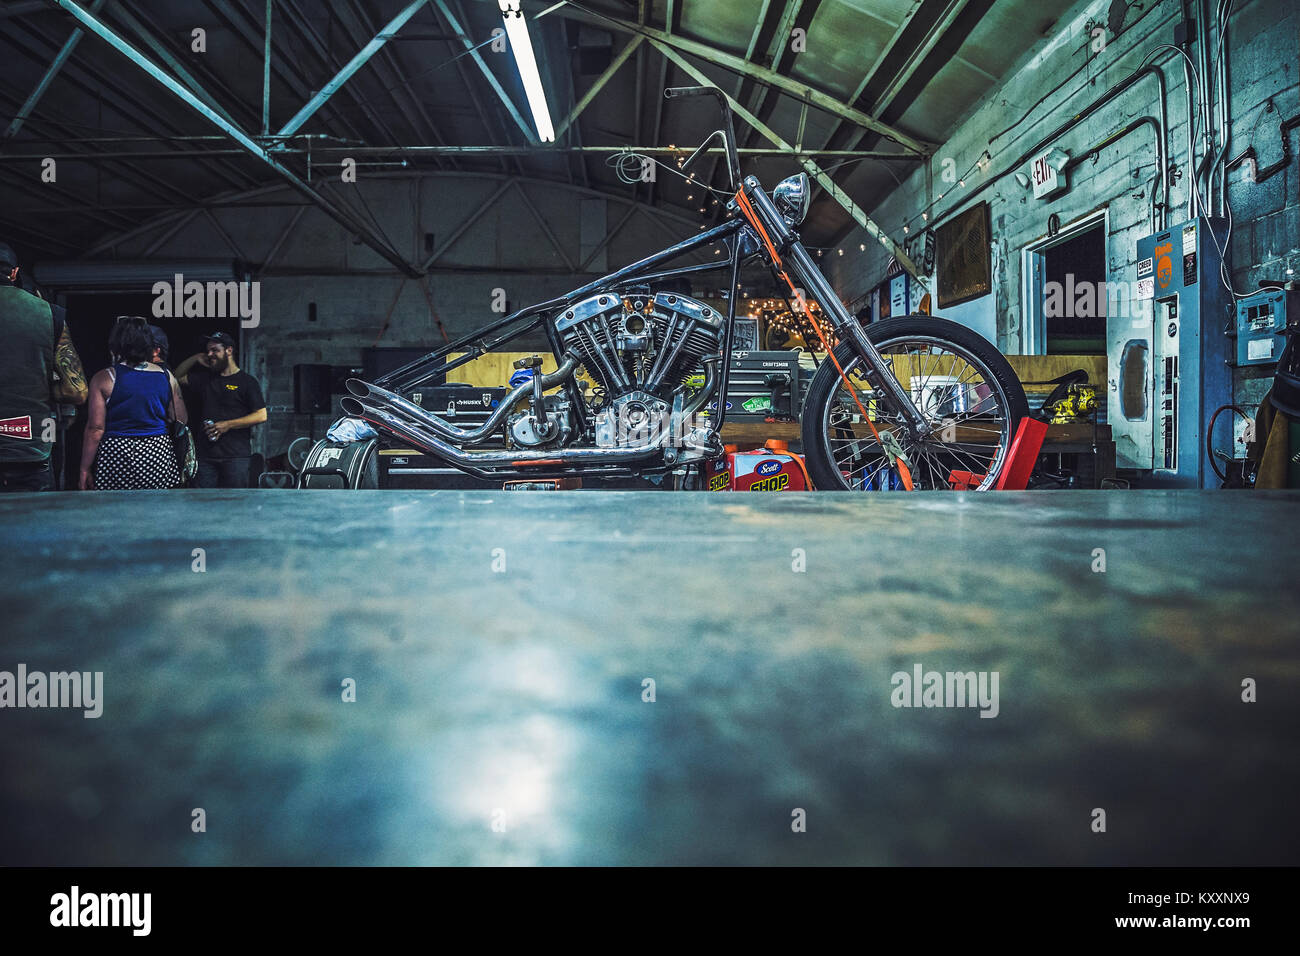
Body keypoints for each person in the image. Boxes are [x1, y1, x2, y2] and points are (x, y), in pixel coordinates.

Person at [0, 241, 88, 492]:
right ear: (15, 273)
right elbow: (77, 392)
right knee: (33, 525)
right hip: (29, 450)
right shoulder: (49, 314)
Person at [80, 317, 187, 491]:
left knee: (115, 509)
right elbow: (180, 419)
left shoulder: (104, 378)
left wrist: (84, 469)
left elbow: (95, 429)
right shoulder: (166, 376)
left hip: (116, 454)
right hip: (156, 452)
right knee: (157, 510)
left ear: (116, 344)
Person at [175, 332, 266, 488]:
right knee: (203, 504)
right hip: (206, 457)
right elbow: (177, 376)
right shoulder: (205, 378)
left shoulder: (247, 382)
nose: (210, 354)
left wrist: (227, 425)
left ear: (229, 351)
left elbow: (261, 415)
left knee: (234, 505)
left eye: (215, 350)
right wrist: (196, 357)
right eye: (208, 351)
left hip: (236, 457)